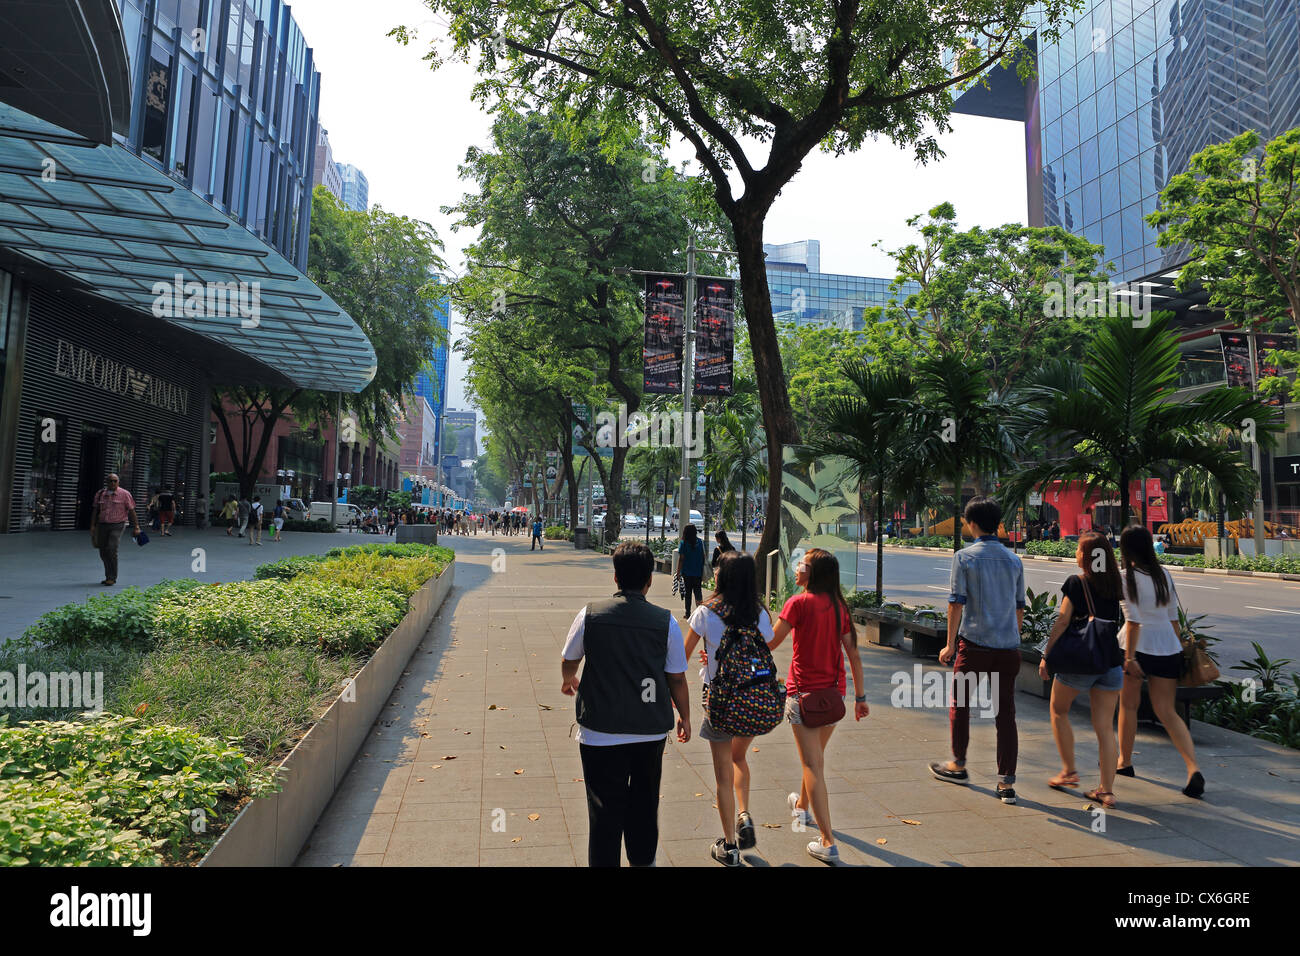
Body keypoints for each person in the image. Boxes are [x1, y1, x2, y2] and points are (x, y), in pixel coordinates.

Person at [561, 542, 690, 867]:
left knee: (603, 810)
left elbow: (570, 657)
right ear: (649, 581)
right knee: (645, 805)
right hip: (649, 733)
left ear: (616, 578)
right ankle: (642, 861)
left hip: (599, 732)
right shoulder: (666, 622)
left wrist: (568, 679)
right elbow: (676, 678)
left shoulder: (590, 614)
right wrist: (685, 716)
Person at [768, 548, 868, 864]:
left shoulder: (797, 604)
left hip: (803, 698)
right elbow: (853, 654)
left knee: (813, 764)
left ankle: (827, 841)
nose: (798, 567)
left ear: (811, 574)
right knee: (814, 757)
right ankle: (801, 809)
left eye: (803, 564)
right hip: (834, 698)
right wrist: (861, 698)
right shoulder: (840, 608)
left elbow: (771, 642)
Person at [683, 551, 777, 866]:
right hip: (754, 701)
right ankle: (744, 813)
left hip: (721, 704)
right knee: (740, 757)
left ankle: (730, 847)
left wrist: (713, 655)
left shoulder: (706, 613)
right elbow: (766, 643)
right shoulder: (760, 613)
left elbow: (680, 658)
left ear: (722, 577)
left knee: (723, 774)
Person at [929, 497, 1025, 805]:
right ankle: (1006, 784)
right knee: (1005, 714)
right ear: (997, 523)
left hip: (975, 646)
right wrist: (1013, 635)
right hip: (1008, 648)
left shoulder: (965, 557)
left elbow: (956, 602)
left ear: (971, 524)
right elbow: (1019, 607)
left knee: (961, 705)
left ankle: (958, 763)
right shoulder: (1014, 560)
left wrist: (948, 644)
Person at [1037, 531, 1125, 807]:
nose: (1075, 553)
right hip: (1111, 662)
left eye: (1077, 550)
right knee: (1104, 728)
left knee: (1058, 710)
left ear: (1086, 557)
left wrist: (1046, 656)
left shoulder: (1076, 582)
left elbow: (1062, 621)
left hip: (1081, 661)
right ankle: (1106, 790)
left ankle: (1068, 771)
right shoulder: (1116, 583)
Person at [1116, 525, 1204, 798]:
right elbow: (1173, 618)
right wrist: (1177, 650)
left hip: (1137, 648)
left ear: (1126, 548)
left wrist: (1130, 658)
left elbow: (1132, 621)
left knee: (1128, 706)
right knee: (1167, 711)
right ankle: (1193, 768)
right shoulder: (1163, 574)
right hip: (1167, 645)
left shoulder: (1125, 577)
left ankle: (1125, 762)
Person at [89, 473, 141, 586]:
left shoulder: (125, 494)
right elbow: (95, 510)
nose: (113, 483)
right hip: (102, 525)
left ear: (118, 482)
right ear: (107, 482)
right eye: (110, 481)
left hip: (118, 525)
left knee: (112, 548)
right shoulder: (100, 494)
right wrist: (92, 526)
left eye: (115, 481)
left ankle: (112, 577)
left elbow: (132, 511)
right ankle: (108, 575)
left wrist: (136, 527)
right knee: (103, 551)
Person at [676, 524, 706, 618]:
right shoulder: (700, 542)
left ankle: (688, 613)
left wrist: (678, 572)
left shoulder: (683, 543)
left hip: (687, 572)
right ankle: (700, 613)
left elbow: (681, 559)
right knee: (698, 592)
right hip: (698, 572)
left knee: (687, 594)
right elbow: (703, 557)